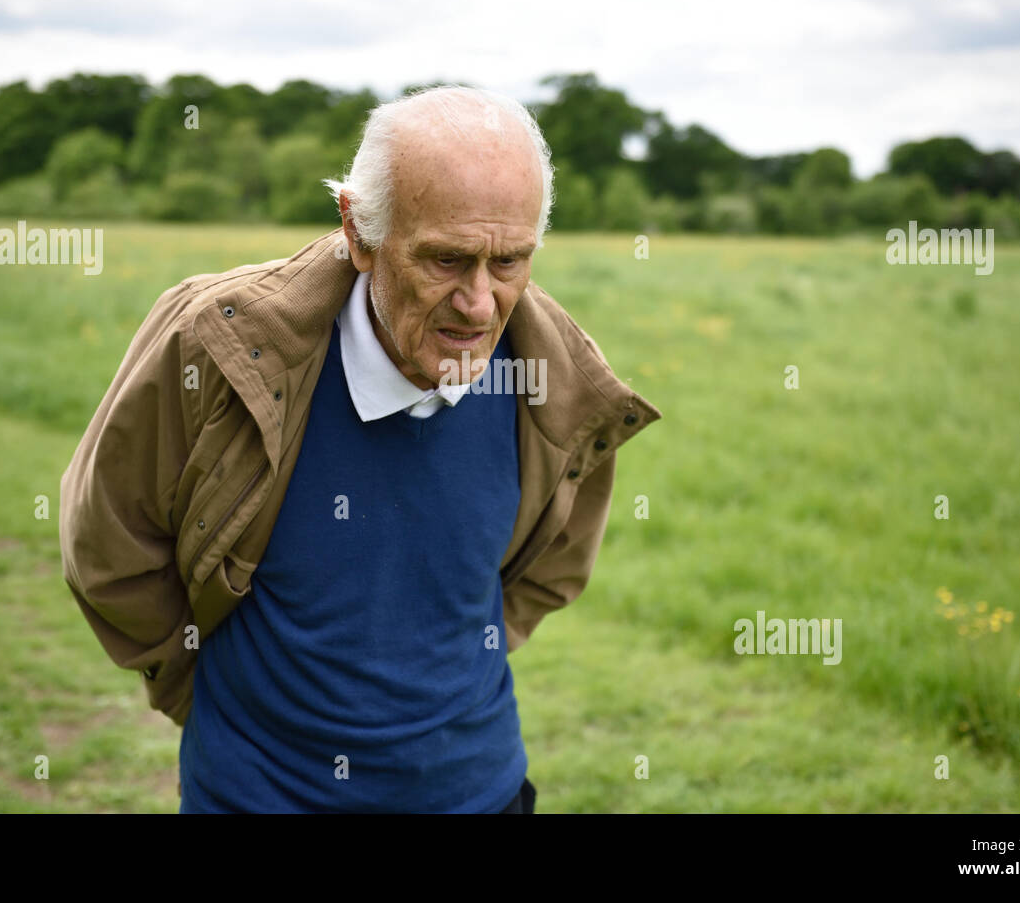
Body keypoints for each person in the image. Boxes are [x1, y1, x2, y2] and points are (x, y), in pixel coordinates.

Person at [58, 85, 661, 813]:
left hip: (480, 790)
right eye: (446, 259)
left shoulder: (556, 374)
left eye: (509, 262)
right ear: (358, 230)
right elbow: (109, 545)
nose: (478, 303)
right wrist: (212, 695)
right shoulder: (214, 343)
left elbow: (547, 571)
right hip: (255, 796)